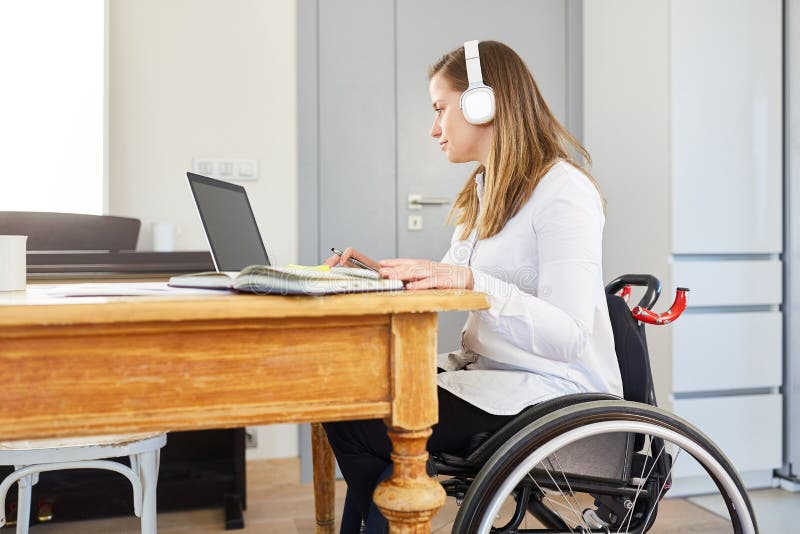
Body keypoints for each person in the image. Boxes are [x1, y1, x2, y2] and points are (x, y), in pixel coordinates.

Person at [322, 39, 623, 533]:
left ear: (483, 104)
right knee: (348, 398)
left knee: (366, 422)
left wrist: (473, 280)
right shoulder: (485, 193)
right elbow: (446, 284)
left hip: (550, 394)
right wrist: (373, 277)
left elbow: (569, 336)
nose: (434, 128)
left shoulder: (564, 191)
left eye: (440, 109)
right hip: (492, 377)